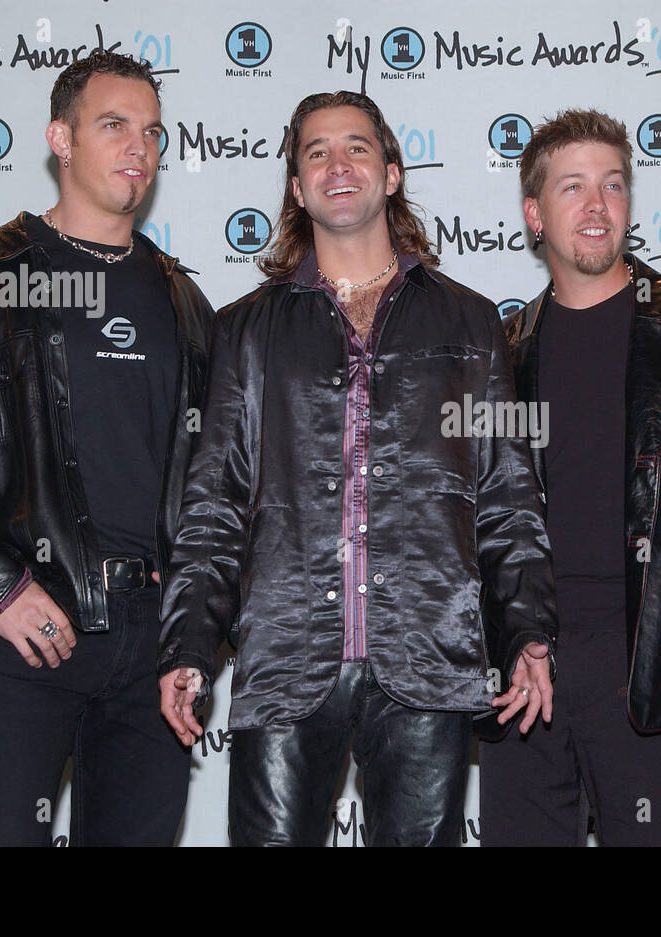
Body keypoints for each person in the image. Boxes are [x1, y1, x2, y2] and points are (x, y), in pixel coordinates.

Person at [156, 90, 557, 847]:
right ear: (299, 188)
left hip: (429, 651)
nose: (338, 164)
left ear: (392, 172)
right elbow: (213, 506)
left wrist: (529, 627)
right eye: (317, 152)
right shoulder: (245, 329)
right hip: (283, 653)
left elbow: (507, 493)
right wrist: (186, 645)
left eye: (357, 147)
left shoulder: (469, 320)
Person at [0, 50, 214, 845]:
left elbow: (212, 478)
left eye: (152, 131)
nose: (139, 146)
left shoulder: (185, 299)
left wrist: (196, 618)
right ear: (59, 138)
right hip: (32, 624)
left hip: (156, 642)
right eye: (114, 125)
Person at [481, 109, 661, 846]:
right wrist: (507, 635)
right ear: (534, 214)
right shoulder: (497, 348)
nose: (596, 205)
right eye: (573, 186)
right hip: (525, 660)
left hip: (648, 652)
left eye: (613, 185)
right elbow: (481, 515)